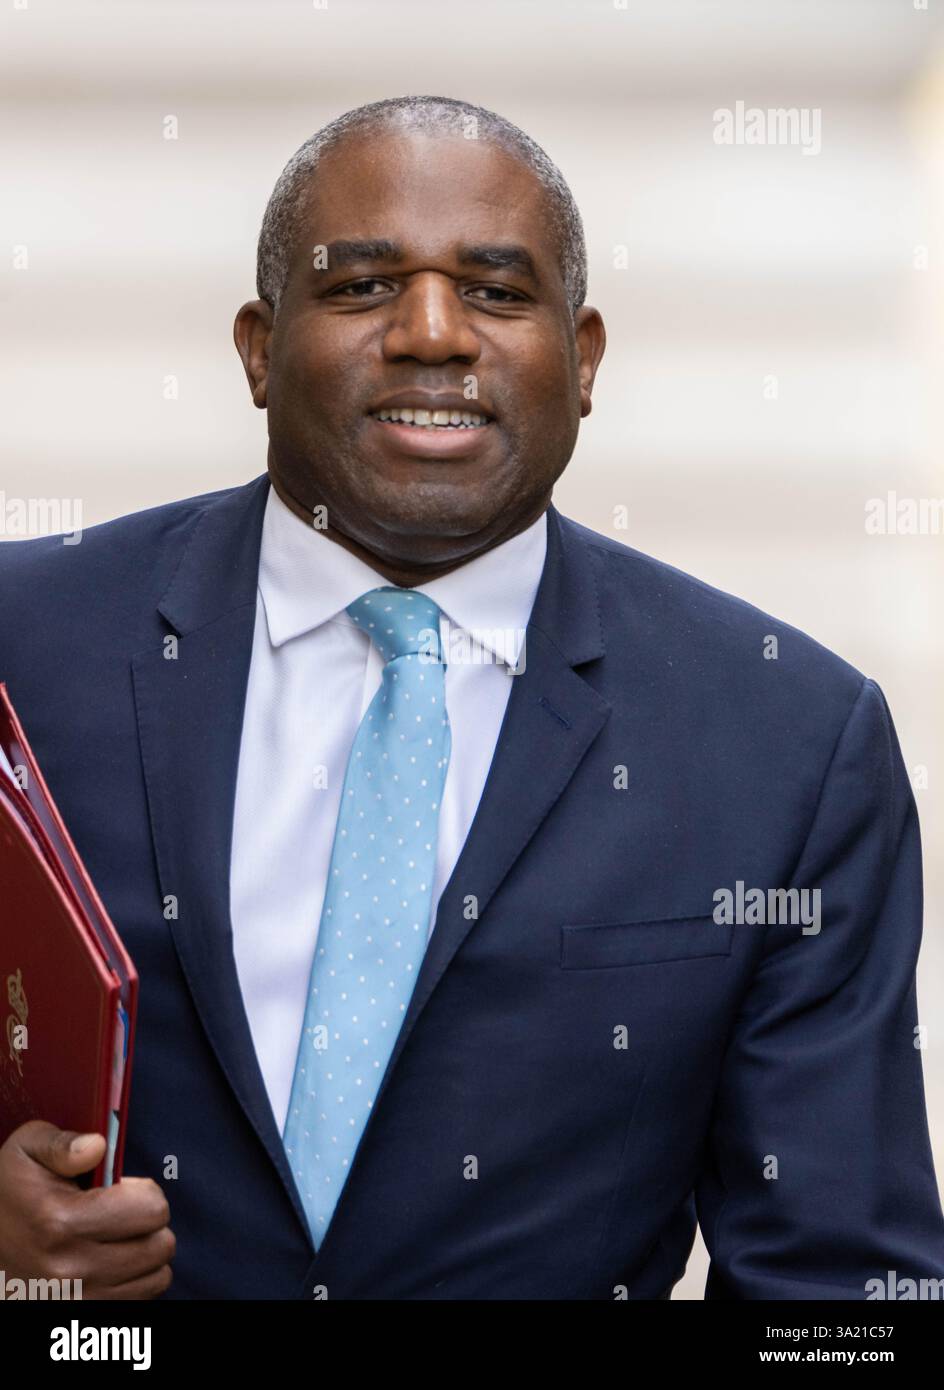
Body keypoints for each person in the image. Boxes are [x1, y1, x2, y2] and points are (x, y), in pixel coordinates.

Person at [1, 95, 942, 1300]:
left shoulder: (791, 742)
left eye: (496, 291)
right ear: (255, 345)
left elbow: (841, 1289)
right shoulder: (22, 646)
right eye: (359, 288)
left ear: (585, 357)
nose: (432, 333)